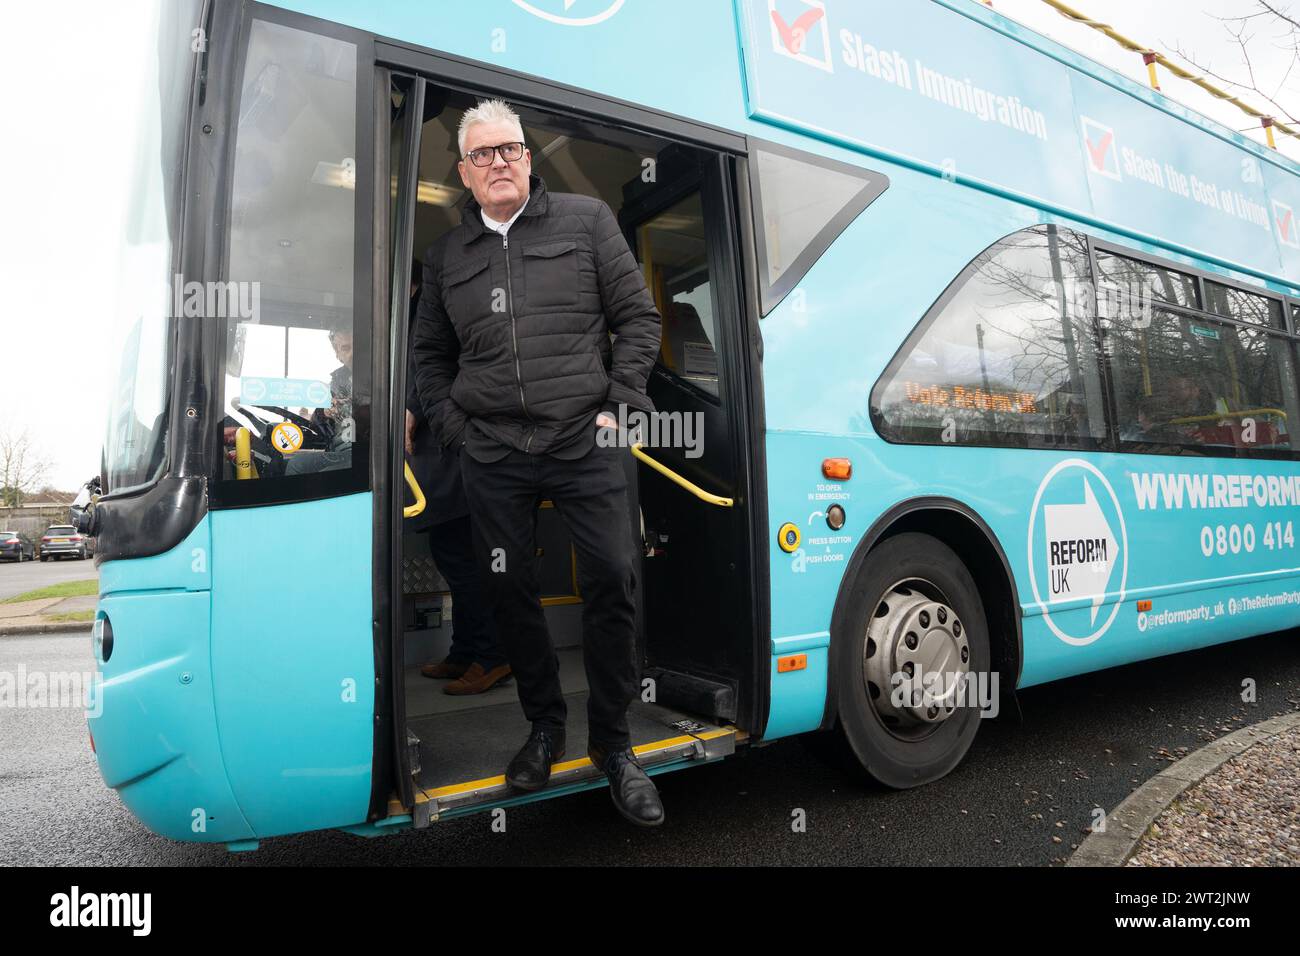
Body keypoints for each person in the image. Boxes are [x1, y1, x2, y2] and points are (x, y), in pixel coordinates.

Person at [411, 99, 665, 826]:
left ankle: (615, 747)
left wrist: (621, 400)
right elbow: (430, 355)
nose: (500, 162)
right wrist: (456, 428)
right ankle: (545, 727)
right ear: (463, 171)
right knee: (509, 590)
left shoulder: (586, 221)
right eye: (484, 154)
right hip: (493, 449)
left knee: (615, 577)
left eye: (511, 149)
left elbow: (638, 319)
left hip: (587, 439)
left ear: (529, 157)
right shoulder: (448, 256)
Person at [405, 260, 511, 695]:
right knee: (454, 562)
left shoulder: (438, 313)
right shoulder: (411, 319)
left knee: (471, 566)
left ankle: (493, 656)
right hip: (441, 462)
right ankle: (464, 652)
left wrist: (411, 406)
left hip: (462, 459)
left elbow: (437, 370)